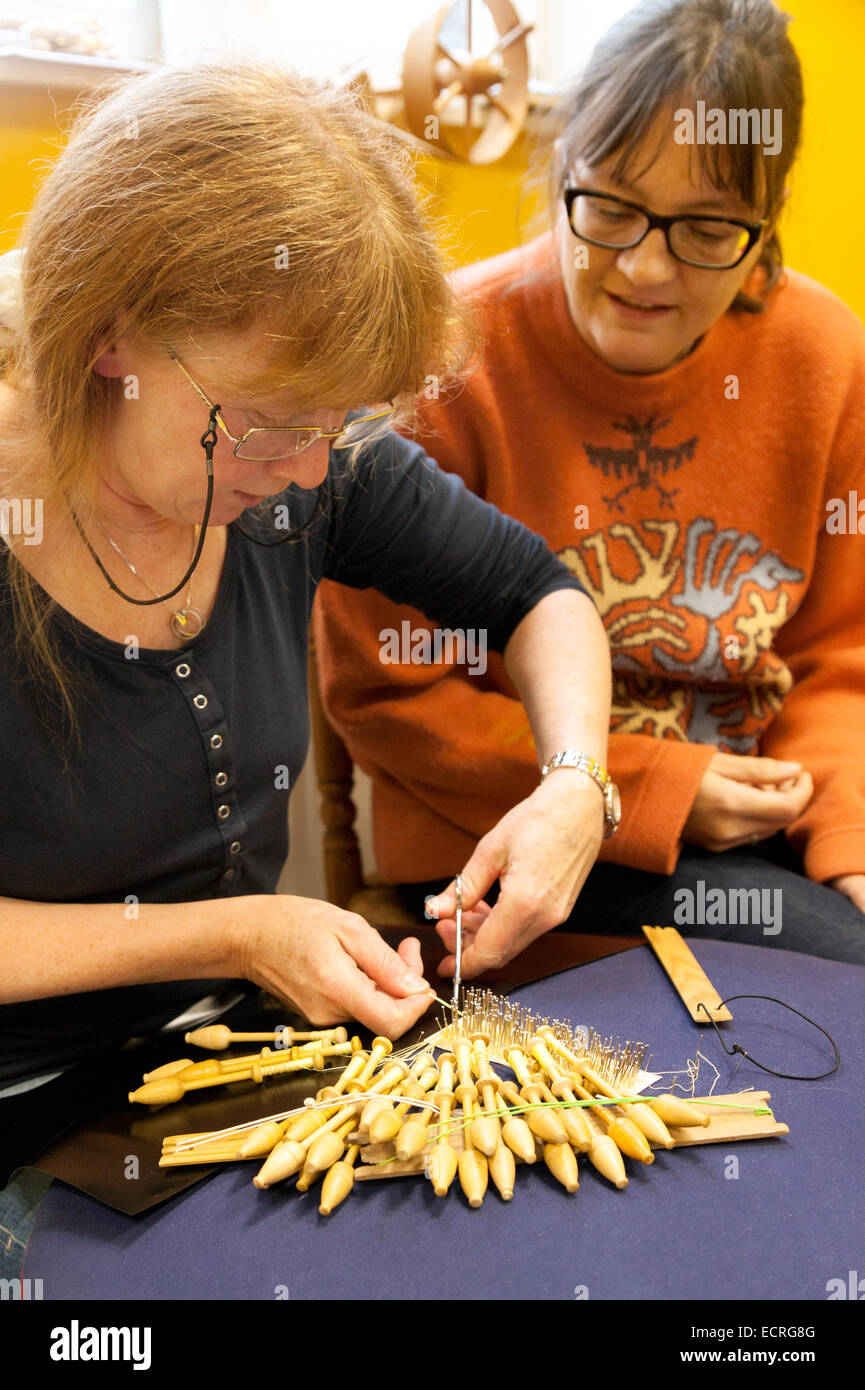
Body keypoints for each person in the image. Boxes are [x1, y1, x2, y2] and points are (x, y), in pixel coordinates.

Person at [0, 59, 612, 1092]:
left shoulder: (300, 456)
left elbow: (535, 593)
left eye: (334, 424)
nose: (310, 471)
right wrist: (236, 935)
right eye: (274, 423)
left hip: (227, 1050)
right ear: (110, 334)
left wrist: (576, 786)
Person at [314, 0, 865, 968]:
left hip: (758, 820)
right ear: (559, 168)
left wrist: (850, 842)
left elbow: (840, 657)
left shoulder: (825, 357)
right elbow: (389, 696)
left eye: (704, 229)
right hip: (494, 834)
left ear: (763, 223)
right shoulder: (444, 357)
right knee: (825, 965)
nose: (643, 267)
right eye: (607, 206)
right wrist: (657, 787)